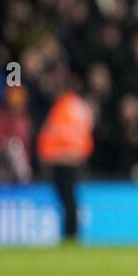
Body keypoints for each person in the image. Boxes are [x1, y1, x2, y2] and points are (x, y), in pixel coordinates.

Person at [35, 71, 95, 242]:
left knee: (67, 200)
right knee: (68, 200)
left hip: (63, 161)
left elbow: (52, 134)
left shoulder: (65, 106)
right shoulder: (77, 106)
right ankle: (71, 234)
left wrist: (48, 155)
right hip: (70, 160)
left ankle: (71, 234)